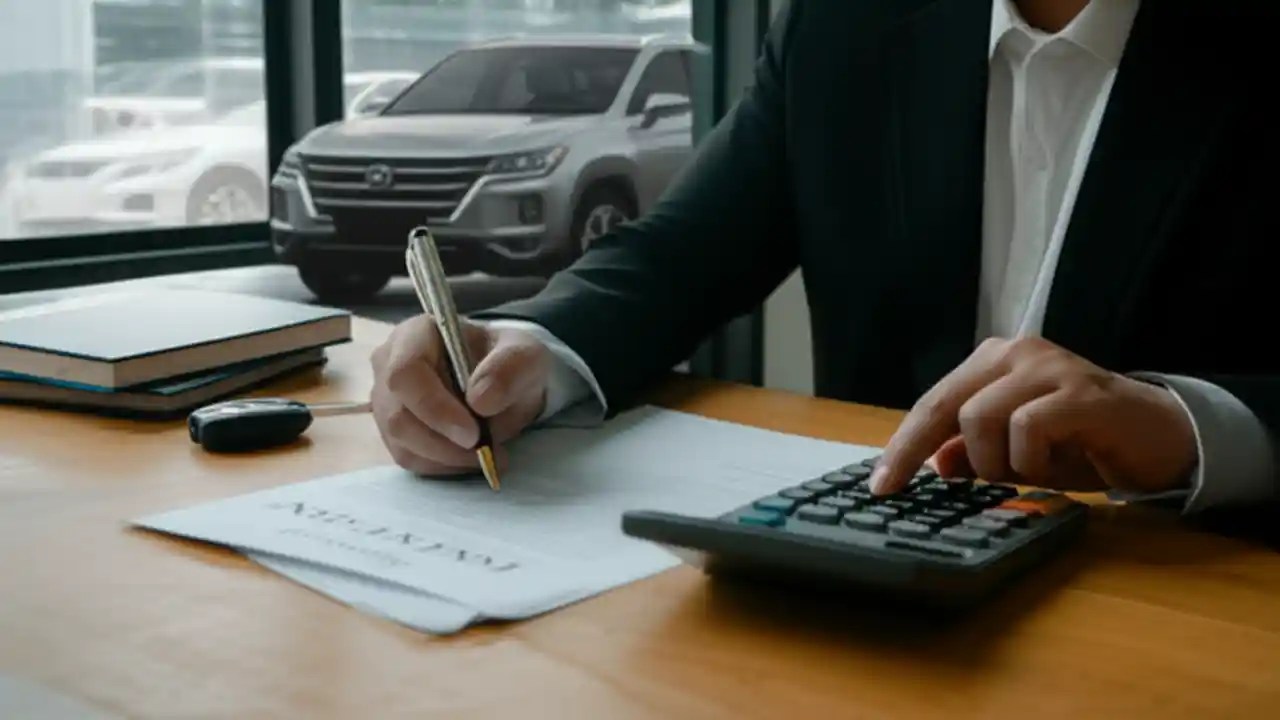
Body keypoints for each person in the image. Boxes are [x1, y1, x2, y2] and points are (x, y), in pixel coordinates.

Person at [370, 0, 1278, 515]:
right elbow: (683, 253)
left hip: (1188, 584)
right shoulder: (848, 24)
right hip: (871, 570)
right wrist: (530, 348)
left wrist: (1184, 425)